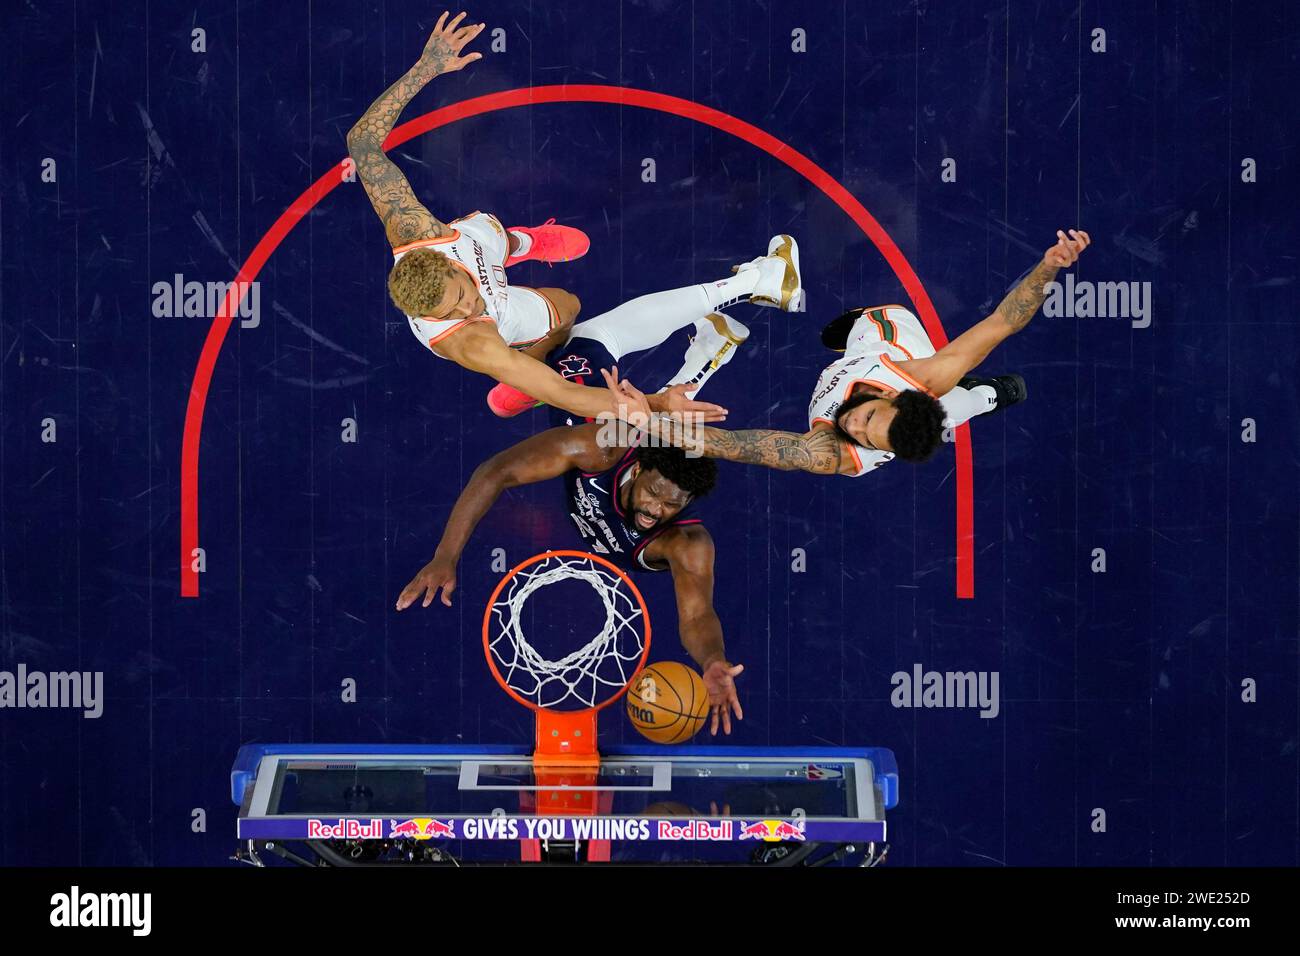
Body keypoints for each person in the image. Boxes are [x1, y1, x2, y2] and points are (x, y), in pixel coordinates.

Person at [347, 10, 724, 424]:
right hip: (503, 322)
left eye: (458, 298)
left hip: (471, 244)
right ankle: (518, 388)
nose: (465, 310)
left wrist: (427, 68)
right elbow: (563, 393)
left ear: (445, 265)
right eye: (447, 314)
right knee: (568, 308)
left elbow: (362, 142)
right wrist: (658, 404)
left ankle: (523, 243)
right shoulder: (473, 339)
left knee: (488, 231)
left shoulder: (414, 229)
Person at [613, 229, 1092, 476]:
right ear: (897, 398)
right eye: (868, 415)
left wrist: (649, 424)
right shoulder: (925, 372)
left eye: (866, 434)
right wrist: (1049, 266)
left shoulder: (832, 453)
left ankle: (991, 395)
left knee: (959, 409)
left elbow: (740, 446)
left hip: (896, 386)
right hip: (886, 338)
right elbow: (1004, 322)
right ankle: (979, 393)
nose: (853, 424)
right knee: (942, 387)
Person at [396, 429, 746, 735]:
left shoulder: (685, 544)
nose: (655, 509)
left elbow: (698, 615)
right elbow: (496, 471)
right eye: (652, 493)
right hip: (577, 391)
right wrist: (446, 556)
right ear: (638, 468)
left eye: (671, 504)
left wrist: (712, 659)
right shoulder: (602, 451)